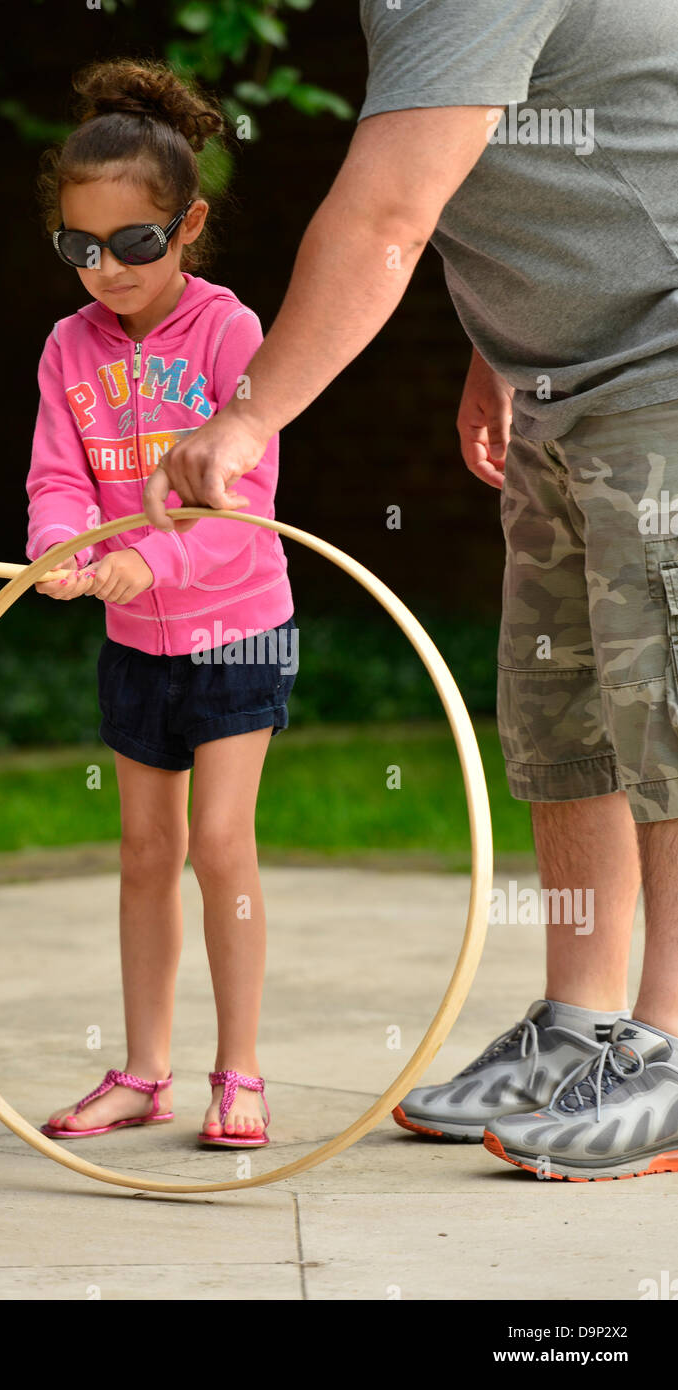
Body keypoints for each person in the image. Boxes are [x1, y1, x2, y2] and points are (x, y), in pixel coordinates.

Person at [140, 0, 678, 1180]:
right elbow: (532, 144)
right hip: (566, 377)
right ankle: (579, 1025)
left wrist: (248, 416)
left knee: (666, 711)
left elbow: (388, 210)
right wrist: (500, 342)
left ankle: (669, 1044)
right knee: (567, 713)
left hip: (661, 368)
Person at [25, 58, 298, 1148]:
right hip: (132, 639)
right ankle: (145, 1070)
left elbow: (250, 504)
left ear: (185, 227)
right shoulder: (65, 347)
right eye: (78, 249)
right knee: (146, 849)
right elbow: (55, 478)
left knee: (220, 842)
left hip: (235, 628)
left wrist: (154, 561)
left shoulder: (233, 334)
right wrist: (60, 550)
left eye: (133, 244)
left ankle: (242, 1068)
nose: (107, 272)